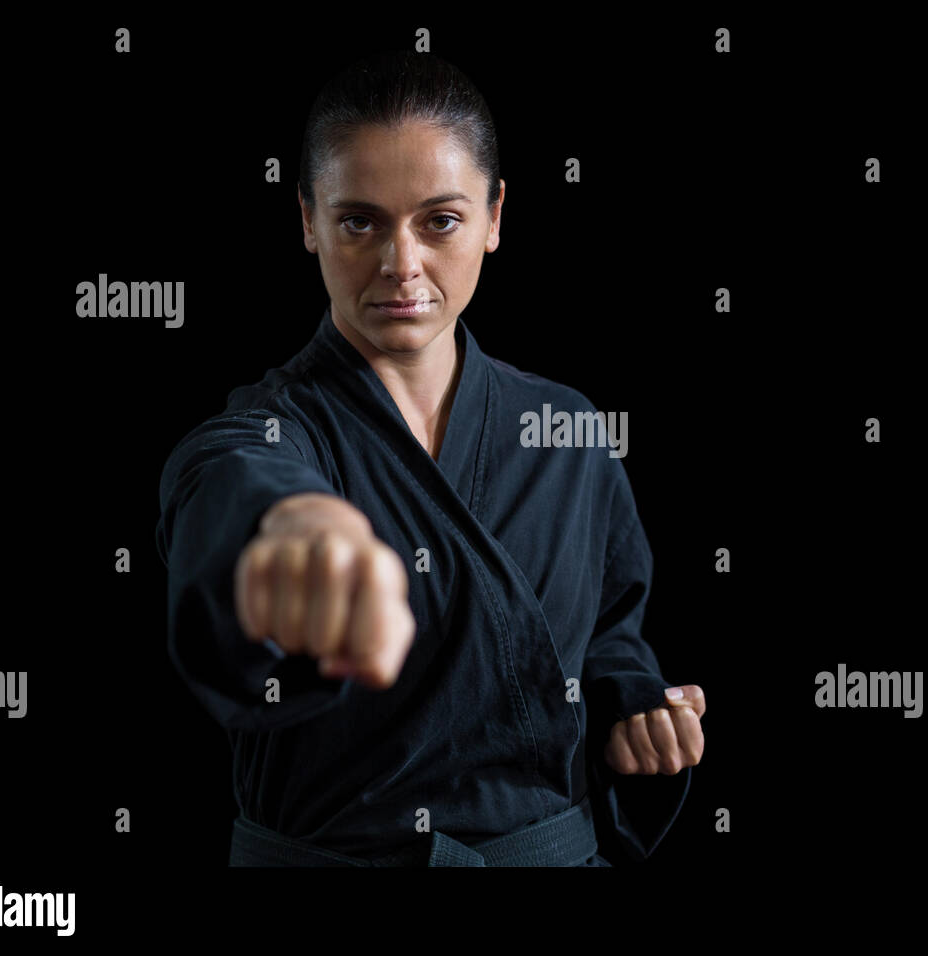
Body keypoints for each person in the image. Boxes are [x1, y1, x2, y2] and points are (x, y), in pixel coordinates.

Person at [154, 50, 705, 867]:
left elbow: (609, 632)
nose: (400, 264)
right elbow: (228, 492)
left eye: (439, 221)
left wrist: (634, 704)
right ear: (308, 220)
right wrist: (294, 525)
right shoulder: (266, 436)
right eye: (360, 221)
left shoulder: (569, 428)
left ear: (494, 216)